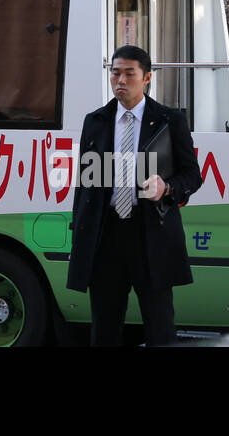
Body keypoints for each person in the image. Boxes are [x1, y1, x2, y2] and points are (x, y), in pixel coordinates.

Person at [65, 45, 202, 346]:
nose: (121, 81)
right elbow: (85, 185)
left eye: (129, 73)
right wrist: (80, 236)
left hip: (150, 233)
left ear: (147, 77)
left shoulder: (169, 120)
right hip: (106, 234)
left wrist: (165, 188)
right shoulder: (96, 121)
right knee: (104, 326)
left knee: (160, 326)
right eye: (115, 73)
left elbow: (193, 176)